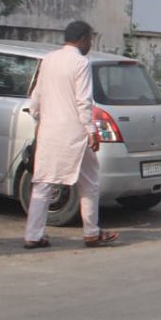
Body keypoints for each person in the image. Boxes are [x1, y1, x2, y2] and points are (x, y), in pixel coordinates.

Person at [23, 21, 119, 249]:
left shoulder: (48, 59)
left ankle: (33, 235)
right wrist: (92, 130)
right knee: (89, 181)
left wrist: (37, 119)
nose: (90, 44)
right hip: (74, 133)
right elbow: (83, 101)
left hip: (49, 131)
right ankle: (91, 232)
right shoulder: (80, 63)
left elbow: (36, 96)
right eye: (91, 39)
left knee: (43, 182)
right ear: (84, 39)